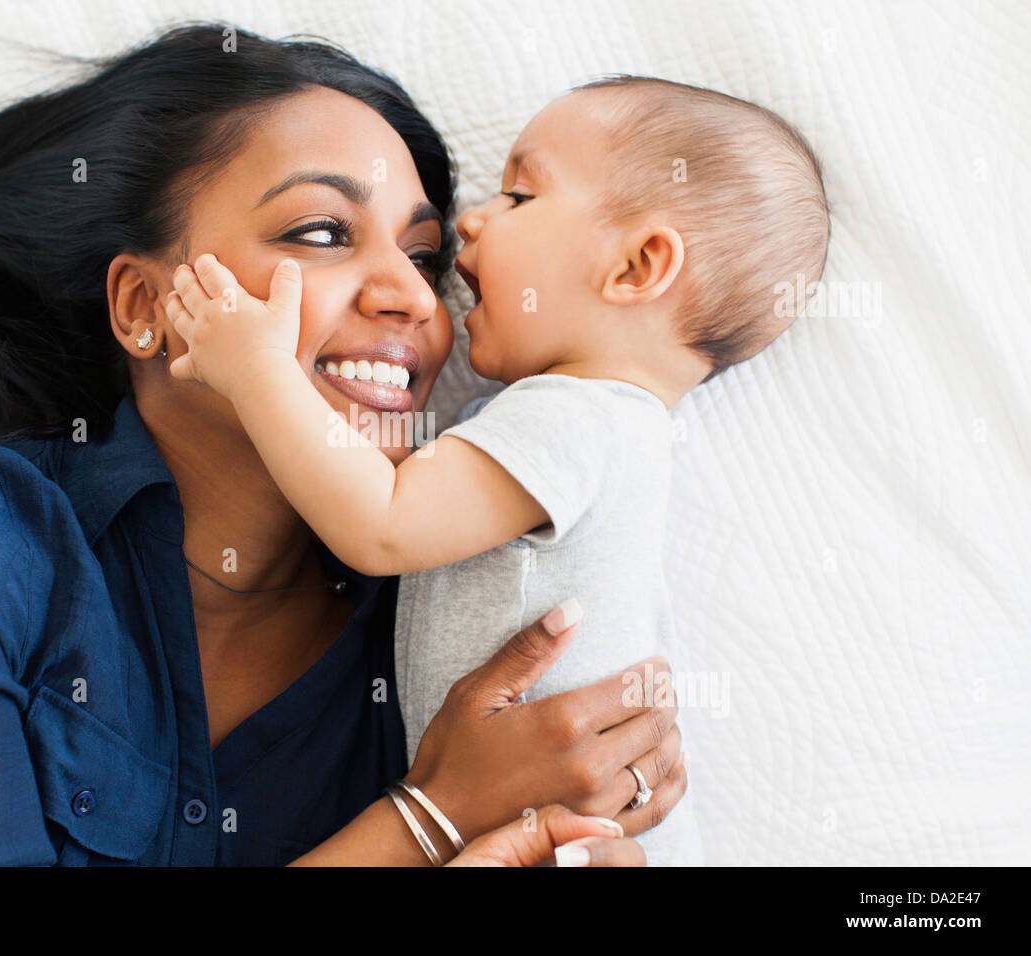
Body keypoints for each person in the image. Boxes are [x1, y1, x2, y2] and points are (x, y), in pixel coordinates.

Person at [0, 25, 685, 866]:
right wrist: (429, 820)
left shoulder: (438, 654)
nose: (415, 299)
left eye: (426, 257)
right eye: (321, 231)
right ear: (145, 309)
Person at [161, 76, 827, 864]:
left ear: (639, 265)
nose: (470, 222)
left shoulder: (577, 419)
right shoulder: (595, 426)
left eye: (518, 195)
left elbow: (380, 524)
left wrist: (256, 368)